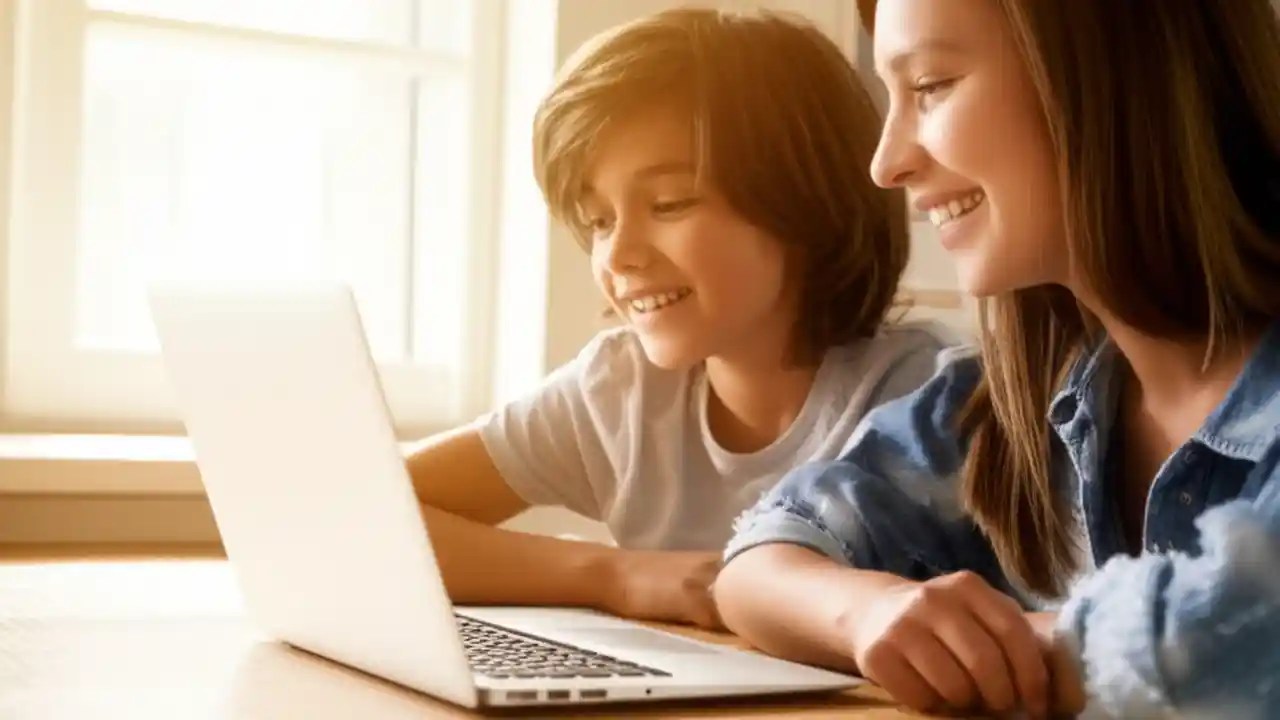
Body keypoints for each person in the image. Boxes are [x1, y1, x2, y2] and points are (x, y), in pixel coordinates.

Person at [714, 0, 1280, 715]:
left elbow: (1231, 651)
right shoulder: (1004, 408)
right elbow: (761, 557)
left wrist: (998, 644)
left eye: (929, 87)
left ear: (1111, 78)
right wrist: (871, 613)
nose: (886, 164)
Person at [405, 7, 955, 631]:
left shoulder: (929, 401)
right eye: (599, 220)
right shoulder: (619, 394)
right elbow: (365, 512)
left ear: (806, 204)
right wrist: (612, 575)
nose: (618, 254)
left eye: (669, 203)